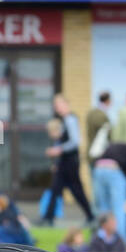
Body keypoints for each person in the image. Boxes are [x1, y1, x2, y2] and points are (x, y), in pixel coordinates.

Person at [43, 93, 94, 225]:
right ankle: (48, 218)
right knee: (55, 189)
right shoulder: (64, 120)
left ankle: (90, 216)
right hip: (64, 162)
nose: (56, 108)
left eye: (58, 104)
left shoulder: (70, 119)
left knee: (77, 190)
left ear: (65, 104)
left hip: (70, 162)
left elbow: (75, 142)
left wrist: (58, 150)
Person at [91, 137, 126, 248]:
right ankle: (122, 242)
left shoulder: (111, 147)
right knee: (119, 208)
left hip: (98, 168)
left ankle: (101, 240)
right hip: (114, 170)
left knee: (103, 208)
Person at [86, 91, 112, 156]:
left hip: (91, 150)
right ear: (107, 101)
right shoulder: (102, 115)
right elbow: (107, 134)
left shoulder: (91, 113)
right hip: (98, 152)